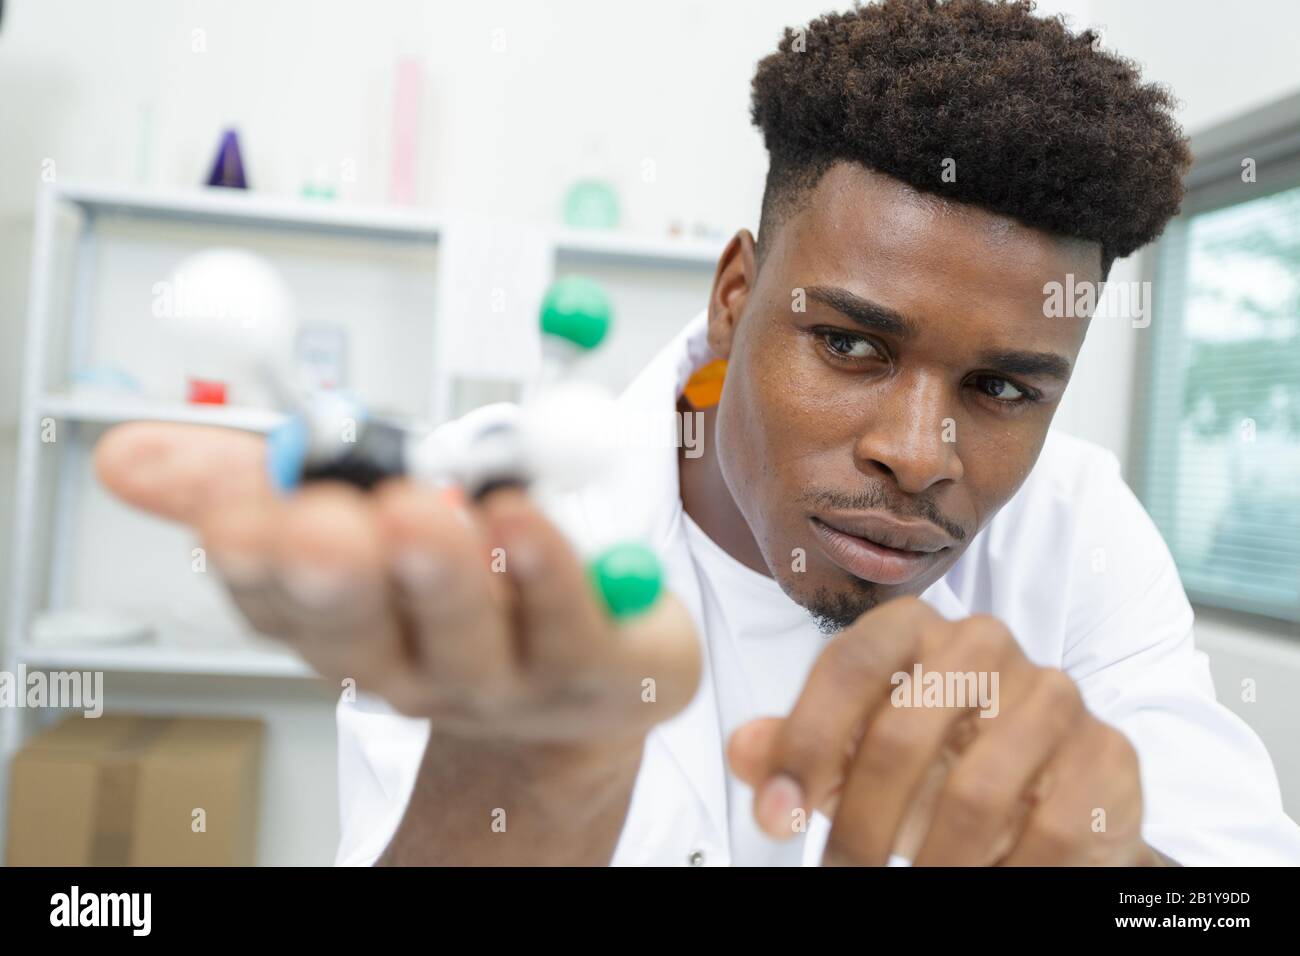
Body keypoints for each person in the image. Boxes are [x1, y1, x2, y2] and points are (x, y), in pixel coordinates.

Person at [96, 0, 1300, 866]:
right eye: (851, 344)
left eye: (1003, 389)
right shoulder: (502, 519)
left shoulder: (1079, 532)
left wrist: (1117, 864)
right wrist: (529, 782)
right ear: (735, 294)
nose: (920, 453)